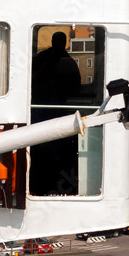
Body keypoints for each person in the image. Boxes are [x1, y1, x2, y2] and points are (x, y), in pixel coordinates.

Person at [30, 31, 82, 196]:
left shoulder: (41, 58)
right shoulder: (69, 62)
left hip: (42, 109)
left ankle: (45, 177)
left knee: (44, 146)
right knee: (56, 146)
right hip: (57, 108)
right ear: (64, 42)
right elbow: (76, 87)